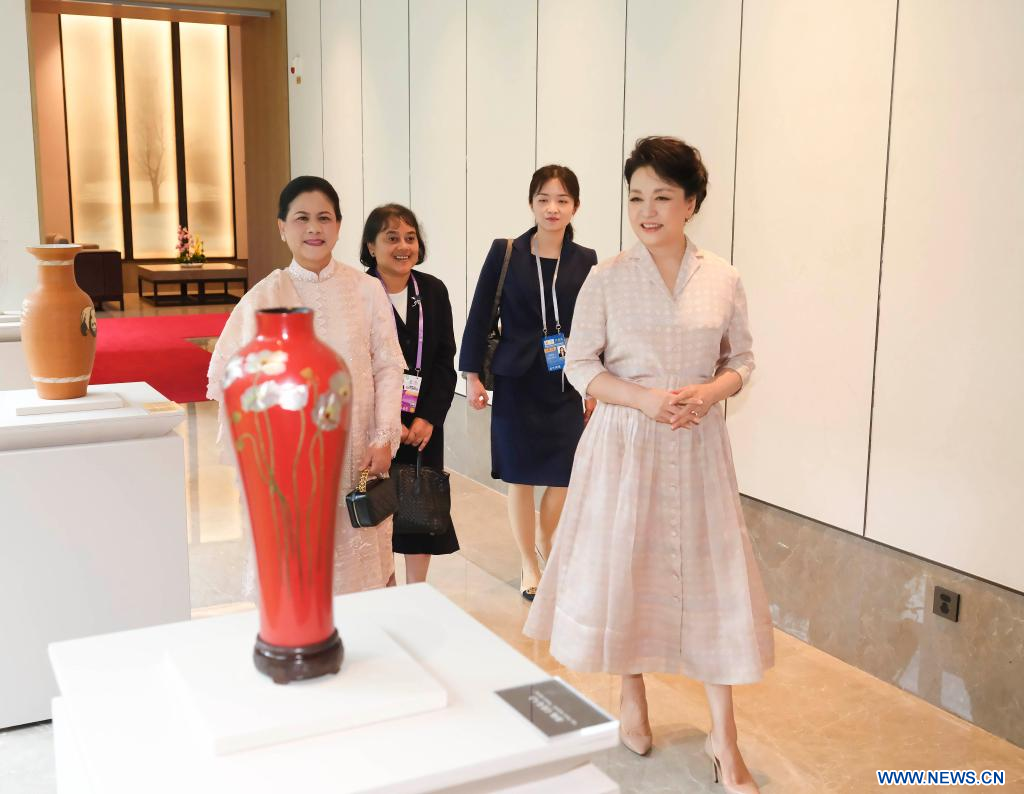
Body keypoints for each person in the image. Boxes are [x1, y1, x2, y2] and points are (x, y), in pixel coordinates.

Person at [523, 137, 773, 793]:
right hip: (624, 446)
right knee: (626, 569)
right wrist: (645, 400)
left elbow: (741, 360)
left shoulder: (722, 277)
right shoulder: (606, 278)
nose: (648, 210)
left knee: (714, 582)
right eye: (637, 196)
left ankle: (725, 738)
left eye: (663, 196)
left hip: (696, 449)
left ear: (691, 202)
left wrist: (710, 392)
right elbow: (580, 366)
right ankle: (630, 691)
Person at [207, 176, 405, 594]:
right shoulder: (264, 297)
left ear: (338, 226)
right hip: (293, 459)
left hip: (358, 454)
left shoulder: (368, 290)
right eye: (301, 218)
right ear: (282, 227)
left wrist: (385, 436)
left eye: (324, 218)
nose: (314, 228)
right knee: (301, 571)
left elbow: (389, 367)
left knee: (363, 562)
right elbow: (228, 376)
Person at [460, 165, 597, 601]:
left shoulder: (587, 261)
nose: (552, 208)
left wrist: (596, 386)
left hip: (566, 383)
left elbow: (596, 326)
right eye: (543, 199)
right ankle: (528, 561)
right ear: (531, 203)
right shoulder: (508, 253)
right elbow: (481, 313)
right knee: (519, 476)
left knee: (564, 474)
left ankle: (546, 534)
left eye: (561, 200)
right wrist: (472, 376)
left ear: (575, 206)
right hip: (516, 379)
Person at [361, 204, 458, 584]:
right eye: (391, 238)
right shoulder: (360, 293)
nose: (403, 246)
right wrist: (387, 425)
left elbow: (443, 362)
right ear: (371, 246)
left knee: (420, 512)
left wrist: (427, 417)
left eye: (410, 237)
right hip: (375, 428)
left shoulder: (432, 291)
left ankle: (416, 593)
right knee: (378, 513)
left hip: (421, 429)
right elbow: (357, 368)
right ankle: (386, 591)